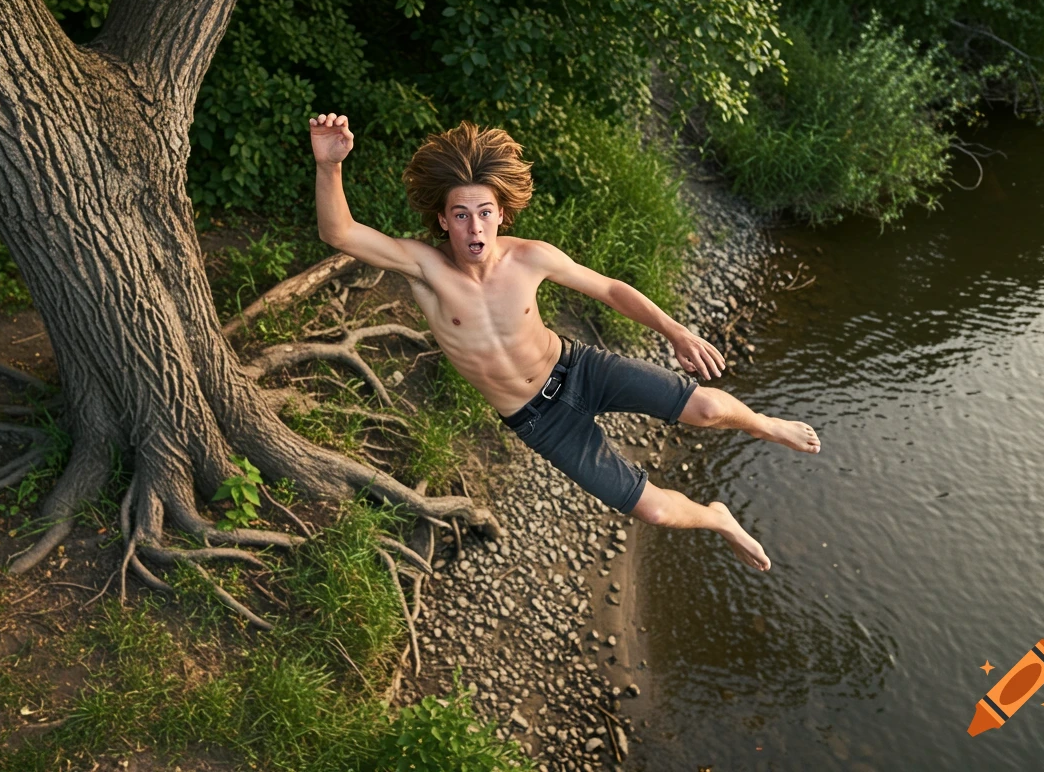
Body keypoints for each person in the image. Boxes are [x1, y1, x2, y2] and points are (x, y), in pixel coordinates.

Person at [310, 113, 820, 571]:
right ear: (443, 220)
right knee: (656, 509)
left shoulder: (531, 257)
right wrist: (330, 166)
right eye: (461, 215)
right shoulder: (425, 269)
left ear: (502, 215)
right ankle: (720, 519)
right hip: (540, 421)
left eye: (485, 212)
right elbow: (342, 234)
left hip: (580, 369)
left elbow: (611, 290)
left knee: (707, 408)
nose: (475, 227)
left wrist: (676, 331)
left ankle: (761, 424)